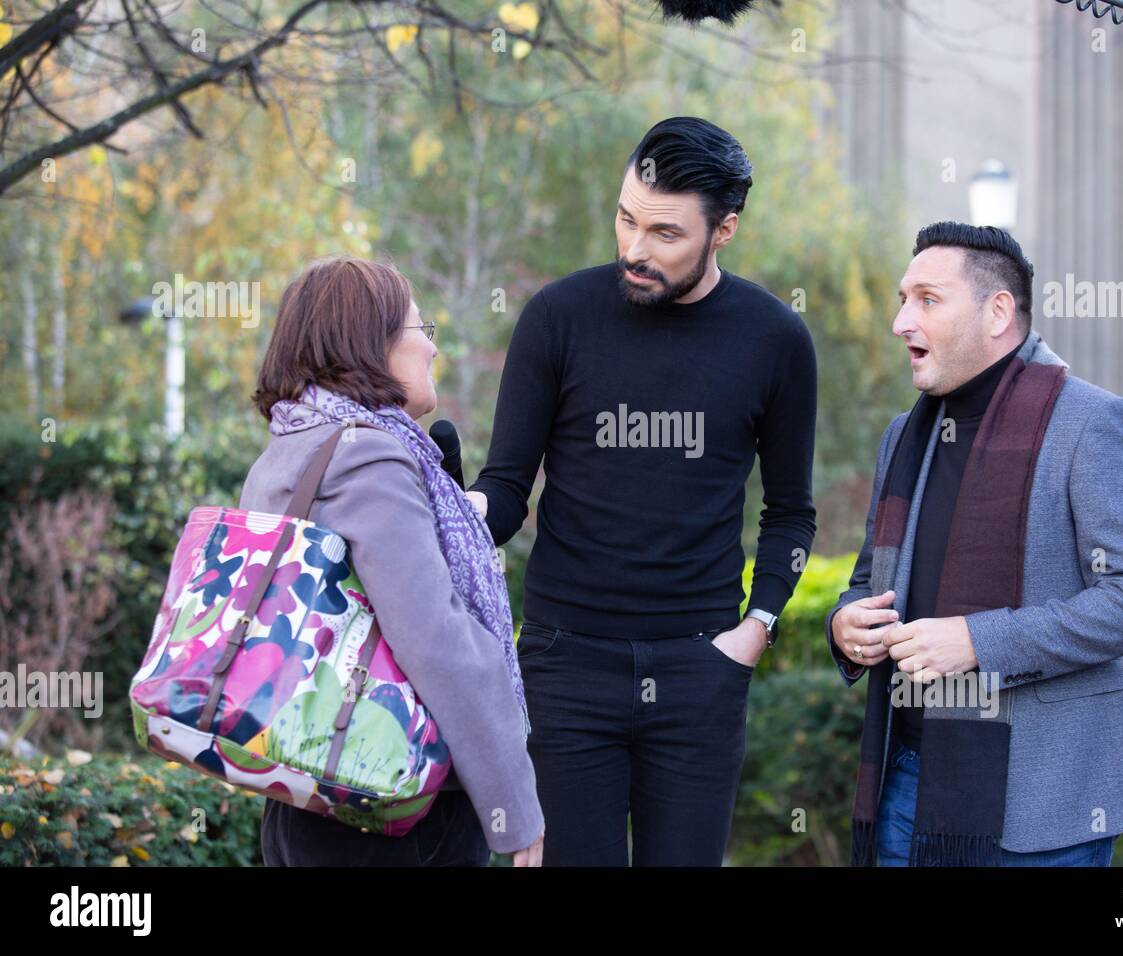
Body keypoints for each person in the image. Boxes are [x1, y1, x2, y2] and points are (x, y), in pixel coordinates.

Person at [465, 117, 818, 865]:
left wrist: (754, 631)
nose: (634, 248)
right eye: (626, 218)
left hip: (702, 668)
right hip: (565, 665)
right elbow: (504, 490)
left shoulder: (775, 338)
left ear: (724, 229)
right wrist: (446, 512)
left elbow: (789, 513)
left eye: (665, 233)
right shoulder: (557, 319)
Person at [826, 222, 1123, 867]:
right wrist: (847, 623)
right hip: (905, 781)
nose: (902, 321)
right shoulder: (904, 436)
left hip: (1046, 805)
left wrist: (979, 643)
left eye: (927, 300)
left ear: (997, 312)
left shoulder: (1095, 423)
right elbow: (869, 582)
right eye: (903, 299)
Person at [241, 255, 544, 866]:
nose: (432, 349)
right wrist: (514, 806)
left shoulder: (294, 443)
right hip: (390, 807)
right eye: (420, 330)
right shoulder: (369, 460)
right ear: (371, 346)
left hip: (310, 797)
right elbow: (438, 639)